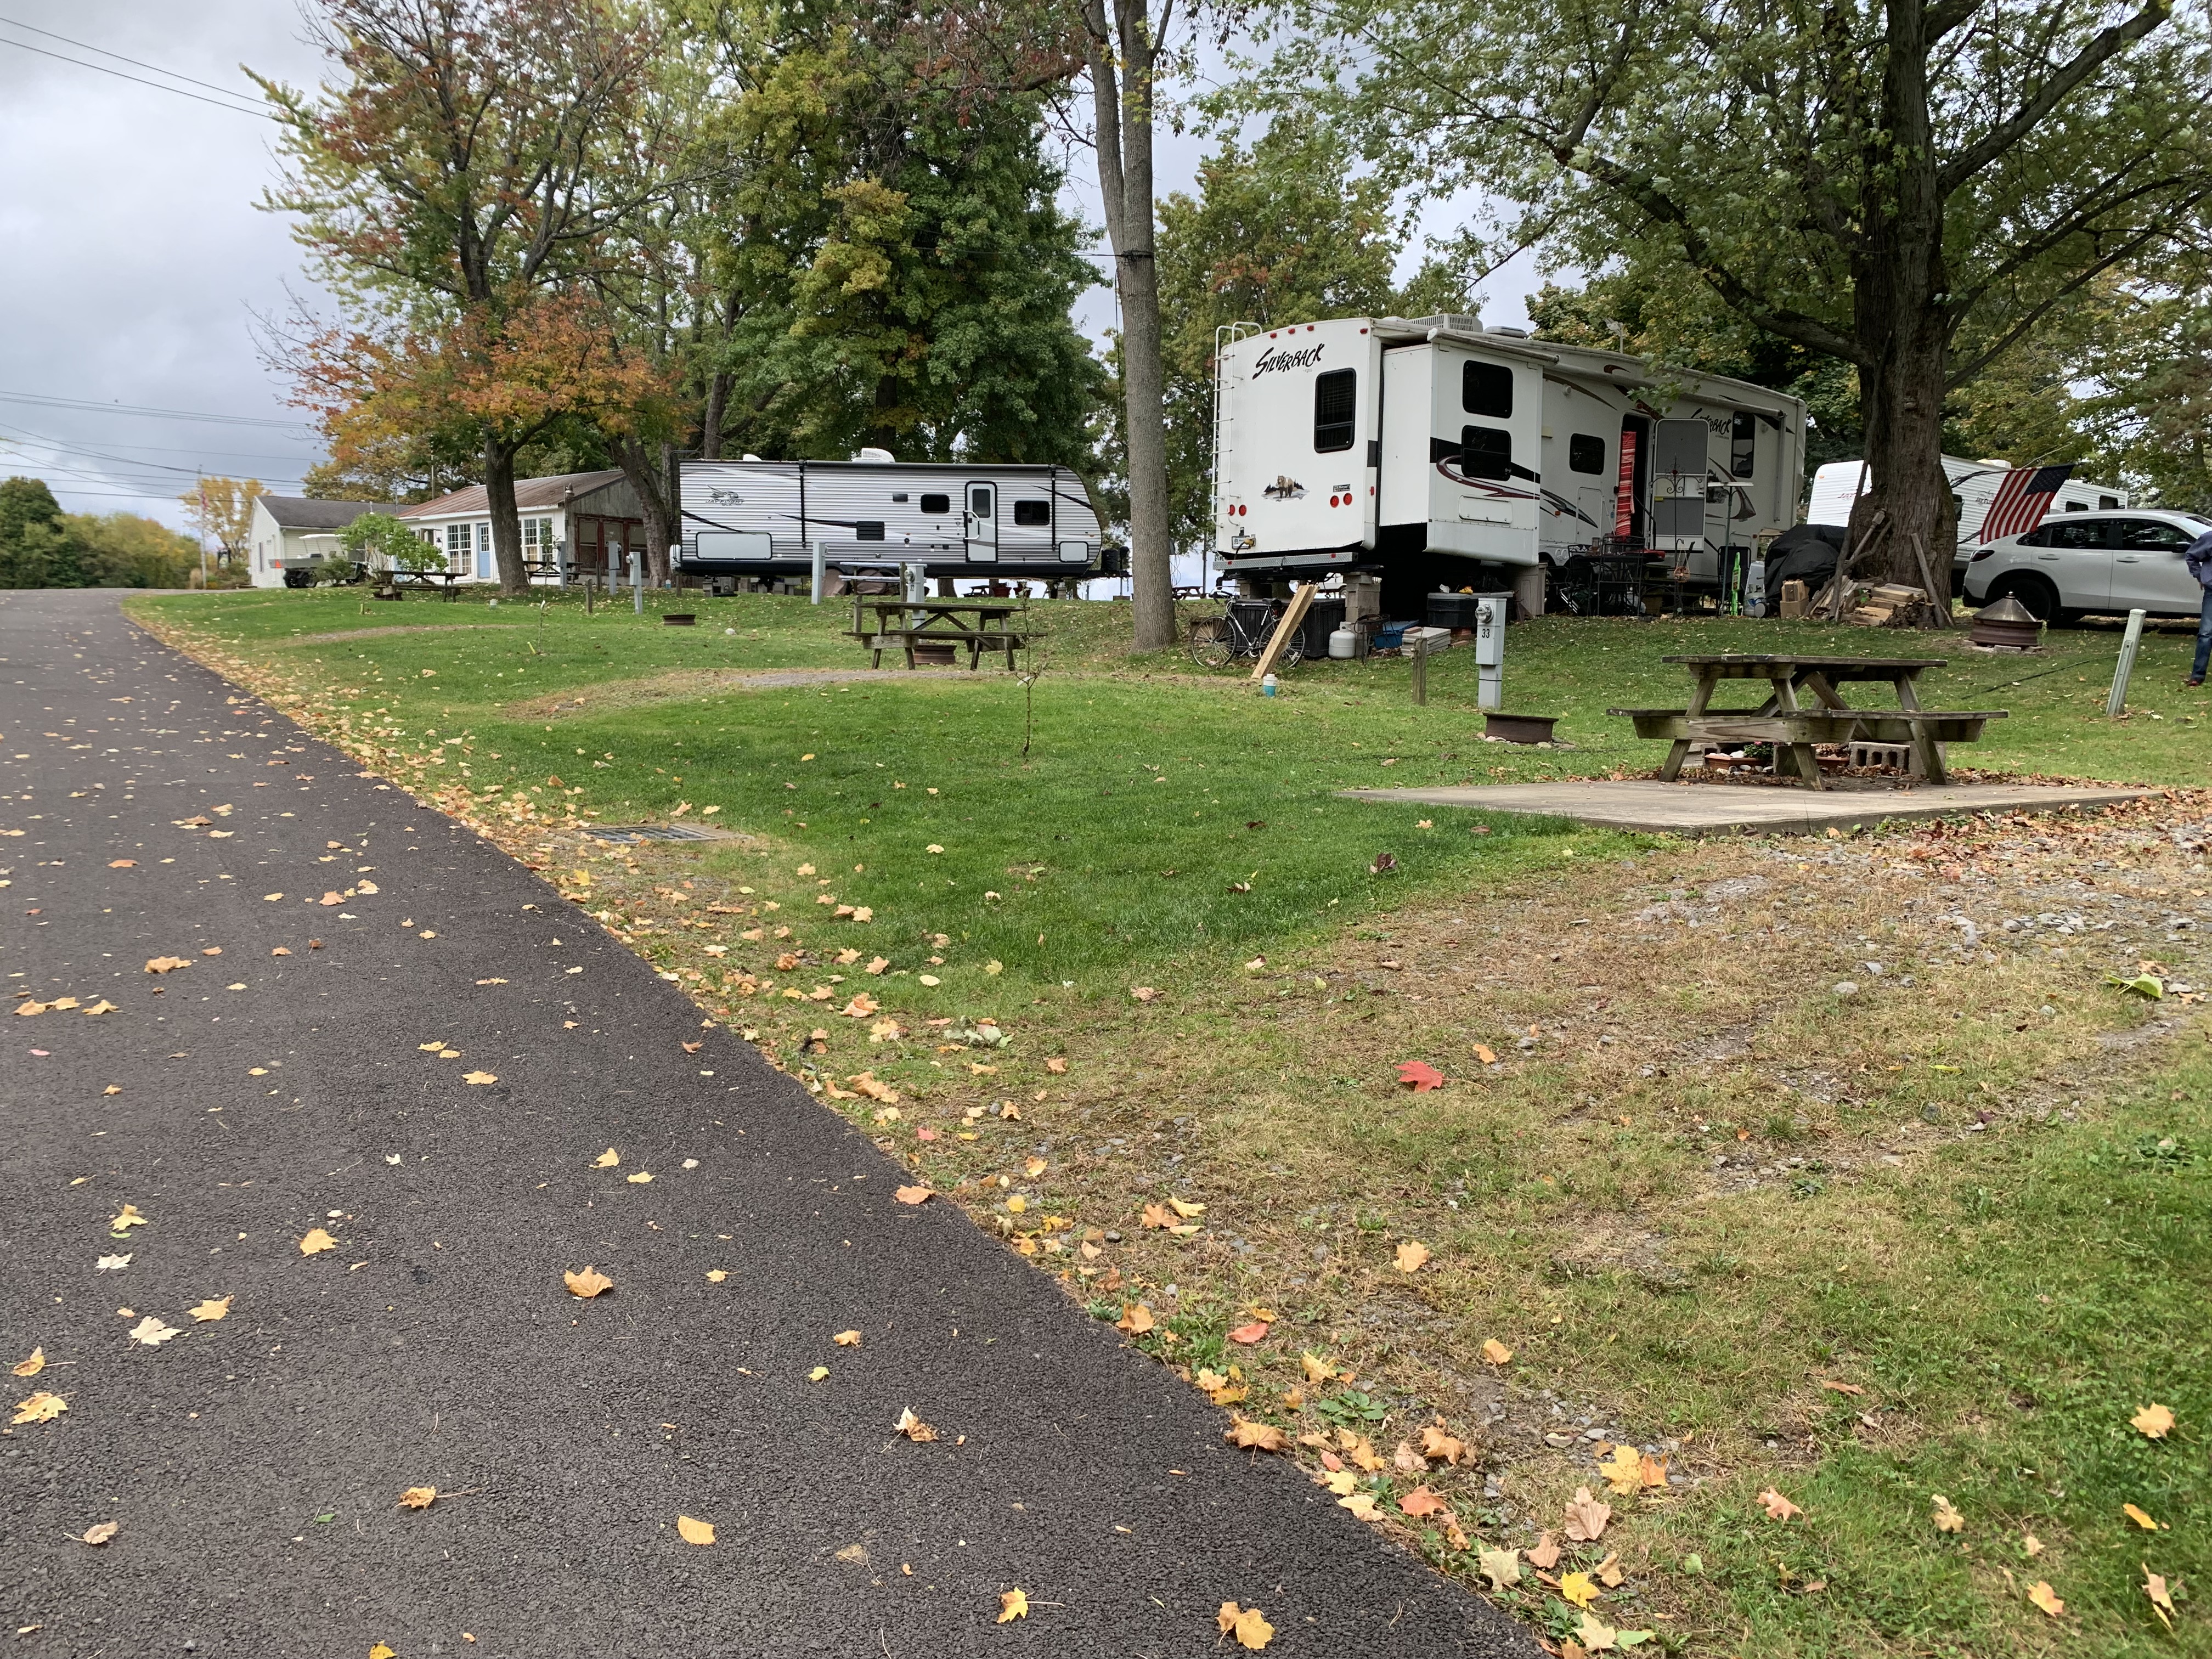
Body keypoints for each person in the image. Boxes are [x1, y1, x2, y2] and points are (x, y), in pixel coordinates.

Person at [2188, 524, 2212, 686]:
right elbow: (2191, 555)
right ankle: (2197, 676)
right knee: (2206, 634)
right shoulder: (2210, 538)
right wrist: (2200, 576)